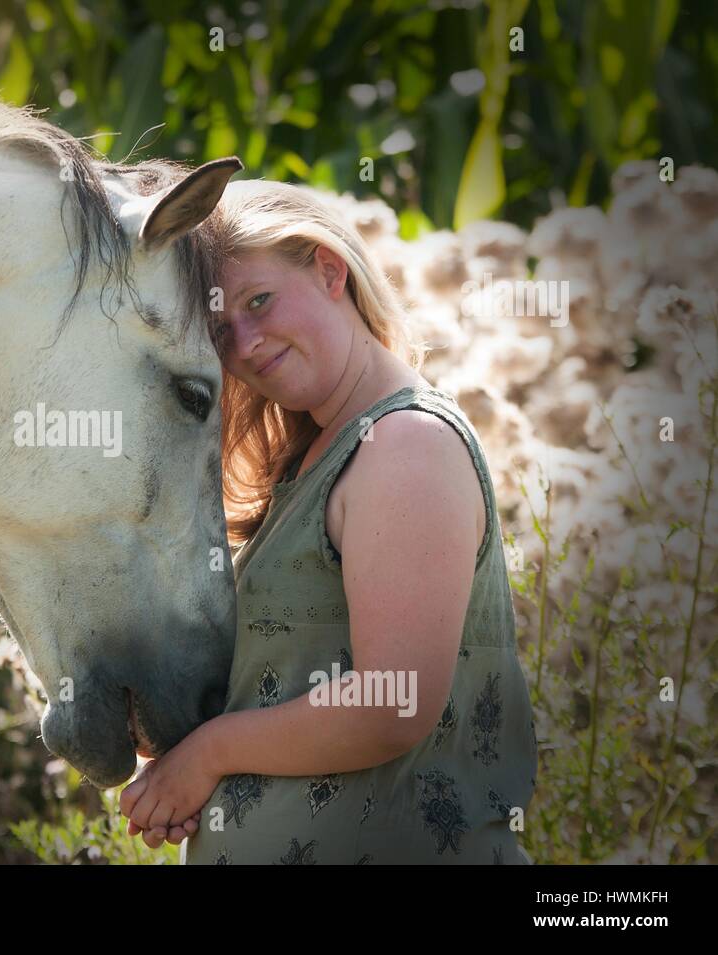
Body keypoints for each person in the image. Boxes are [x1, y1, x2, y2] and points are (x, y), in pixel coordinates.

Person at [120, 179, 539, 864]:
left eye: (260, 301)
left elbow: (392, 702)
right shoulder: (317, 452)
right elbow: (293, 680)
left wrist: (208, 754)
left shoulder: (406, 443)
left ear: (329, 269)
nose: (247, 345)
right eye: (223, 329)